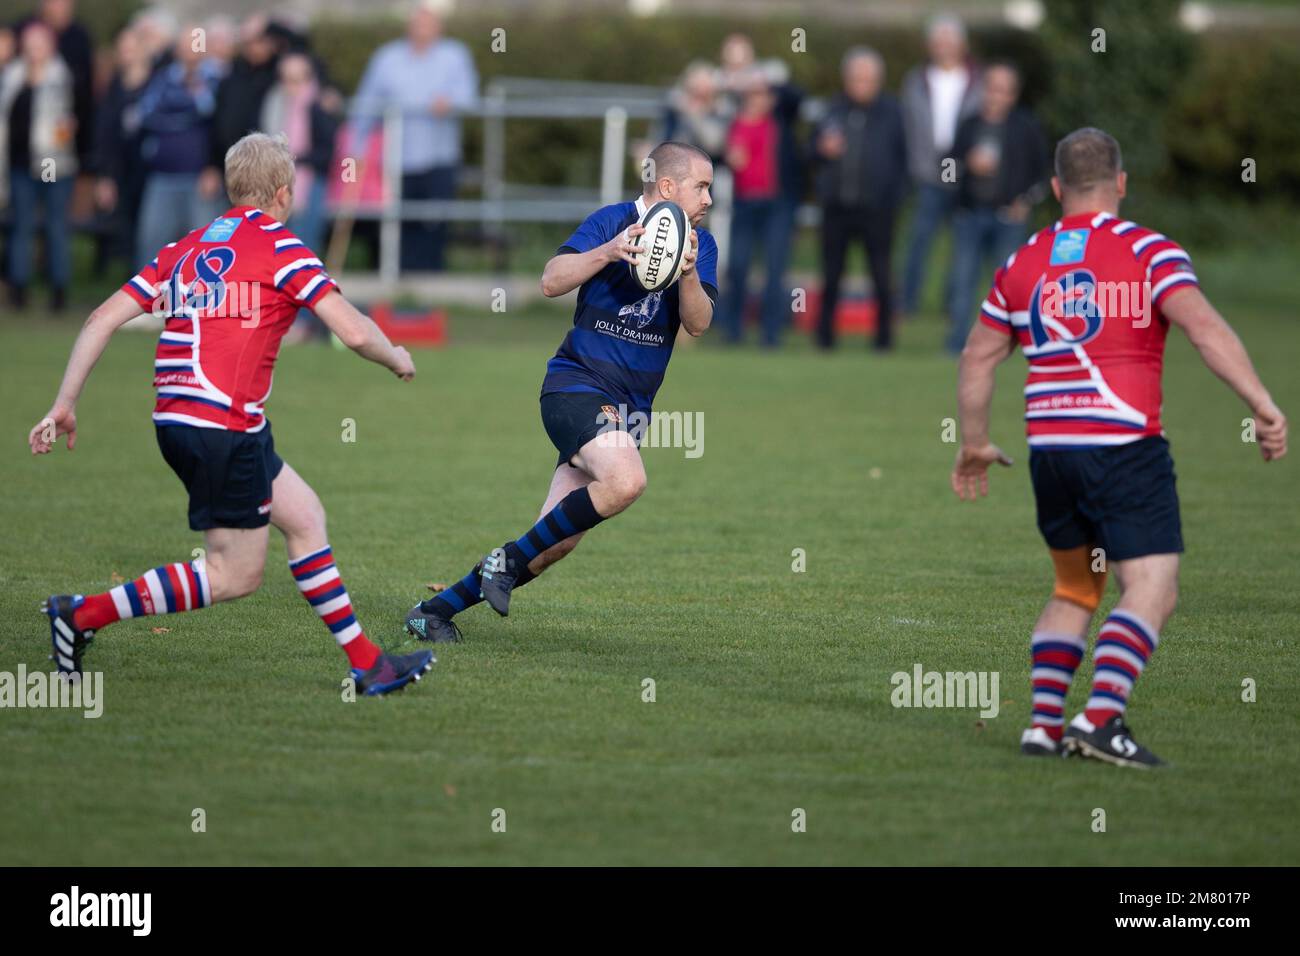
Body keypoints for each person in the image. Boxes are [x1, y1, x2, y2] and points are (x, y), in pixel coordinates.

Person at [27, 132, 431, 697]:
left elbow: (100, 318)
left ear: (232, 186)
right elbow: (355, 330)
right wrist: (397, 358)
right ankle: (81, 615)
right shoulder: (280, 246)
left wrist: (64, 404)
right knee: (233, 575)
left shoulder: (185, 247)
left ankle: (368, 664)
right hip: (221, 427)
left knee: (306, 517)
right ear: (284, 193)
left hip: (182, 417)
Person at [951, 127, 1289, 767]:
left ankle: (1044, 728)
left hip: (1051, 448)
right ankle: (1102, 718)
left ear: (1056, 189)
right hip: (1123, 442)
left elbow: (977, 357)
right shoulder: (1148, 249)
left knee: (1077, 586)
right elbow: (1204, 328)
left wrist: (973, 443)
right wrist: (1263, 404)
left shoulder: (1025, 259)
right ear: (1121, 184)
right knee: (1153, 585)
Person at [404, 142, 718, 642]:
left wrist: (689, 274)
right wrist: (610, 250)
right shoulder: (610, 219)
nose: (708, 198)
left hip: (630, 410)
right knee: (626, 481)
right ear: (666, 186)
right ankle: (500, 568)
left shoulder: (702, 245)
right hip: (576, 385)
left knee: (551, 543)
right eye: (701, 186)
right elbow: (551, 281)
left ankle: (433, 611)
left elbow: (699, 324)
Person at [350, 1, 478, 273]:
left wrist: (451, 102)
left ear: (438, 27)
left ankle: (430, 284)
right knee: (396, 221)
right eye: (418, 22)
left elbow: (469, 96)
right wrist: (356, 149)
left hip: (439, 156)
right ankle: (397, 281)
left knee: (435, 221)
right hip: (397, 159)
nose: (422, 29)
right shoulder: (386, 58)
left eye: (428, 23)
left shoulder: (455, 55)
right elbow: (365, 104)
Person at [945, 62, 1047, 354]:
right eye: (991, 88)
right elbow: (946, 169)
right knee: (962, 281)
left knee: (1010, 285)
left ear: (1013, 95)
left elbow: (1041, 173)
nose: (996, 95)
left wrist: (1025, 201)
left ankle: (1012, 344)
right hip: (970, 215)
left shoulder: (1026, 127)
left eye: (1003, 90)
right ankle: (957, 344)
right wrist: (966, 165)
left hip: (1008, 219)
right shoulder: (969, 125)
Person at [811, 47, 907, 351]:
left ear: (878, 80)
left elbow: (904, 161)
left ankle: (883, 340)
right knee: (831, 274)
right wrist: (821, 150)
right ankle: (825, 338)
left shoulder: (893, 112)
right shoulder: (832, 109)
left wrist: (894, 199)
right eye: (856, 78)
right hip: (836, 208)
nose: (861, 84)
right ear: (846, 79)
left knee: (880, 275)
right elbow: (809, 153)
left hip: (877, 210)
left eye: (868, 79)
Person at [901, 13, 981, 319]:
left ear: (962, 44)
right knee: (919, 239)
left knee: (962, 245)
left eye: (950, 41)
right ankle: (908, 302)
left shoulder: (978, 80)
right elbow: (908, 127)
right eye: (939, 42)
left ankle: (954, 304)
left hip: (964, 174)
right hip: (926, 172)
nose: (945, 47)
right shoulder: (916, 81)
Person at [716, 69, 797, 347]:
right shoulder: (734, 123)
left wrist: (767, 78)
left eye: (762, 93)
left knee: (775, 270)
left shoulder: (781, 120)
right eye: (752, 93)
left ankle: (771, 333)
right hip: (745, 203)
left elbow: (796, 95)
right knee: (737, 266)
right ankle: (733, 329)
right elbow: (721, 155)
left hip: (777, 205)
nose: (757, 99)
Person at [0, 20, 77, 311]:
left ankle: (59, 290)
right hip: (20, 164)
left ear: (50, 46)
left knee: (56, 226)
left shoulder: (61, 75)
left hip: (53, 165)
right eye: (30, 44)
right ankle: (19, 289)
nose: (34, 50)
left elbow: (70, 120)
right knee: (23, 227)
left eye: (40, 43)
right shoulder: (12, 76)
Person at [134, 27, 224, 266]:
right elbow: (146, 114)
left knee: (206, 250)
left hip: (200, 178)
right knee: (151, 245)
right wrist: (188, 111)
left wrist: (184, 105)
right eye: (185, 46)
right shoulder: (163, 77)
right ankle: (150, 301)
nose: (190, 52)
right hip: (162, 175)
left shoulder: (217, 78)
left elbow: (211, 112)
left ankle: (205, 302)